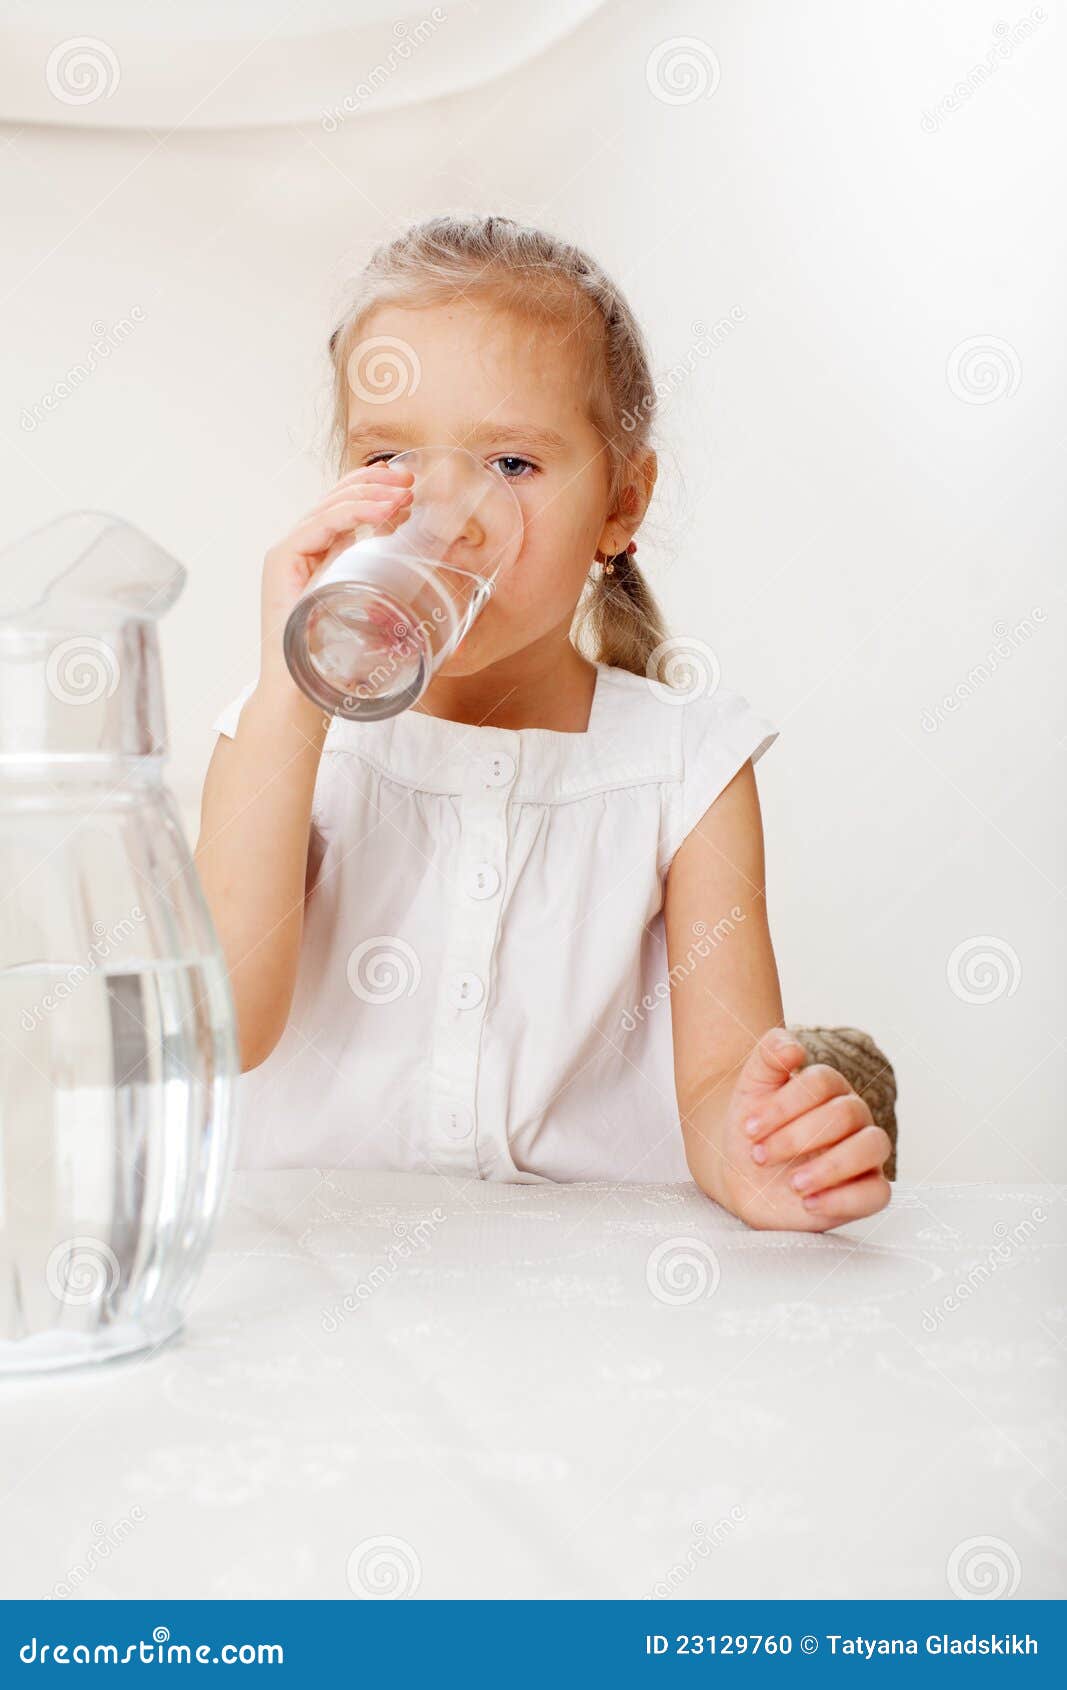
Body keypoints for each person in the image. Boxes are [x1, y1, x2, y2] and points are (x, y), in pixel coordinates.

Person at [196, 213, 892, 1232]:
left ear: (620, 503)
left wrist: (763, 1156)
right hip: (320, 1274)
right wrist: (291, 700)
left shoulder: (685, 764)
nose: (449, 514)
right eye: (391, 457)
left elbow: (715, 1083)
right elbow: (221, 1026)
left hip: (586, 1297)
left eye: (511, 465)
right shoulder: (279, 731)